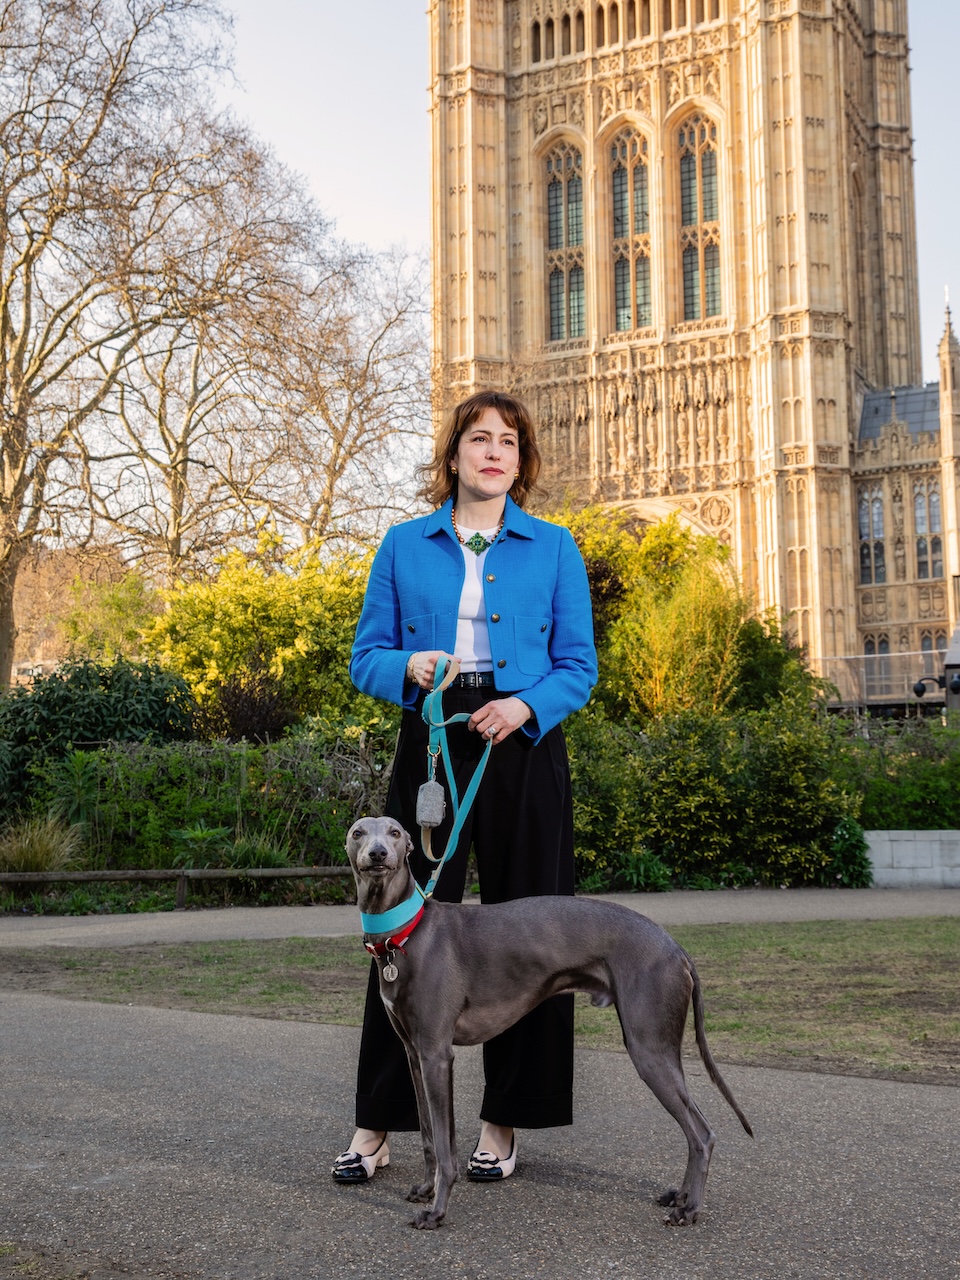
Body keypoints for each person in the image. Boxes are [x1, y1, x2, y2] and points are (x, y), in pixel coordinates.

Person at [332, 390, 597, 1186]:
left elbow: (578, 668)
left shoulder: (554, 548)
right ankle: (375, 1124)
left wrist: (524, 705)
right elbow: (365, 657)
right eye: (478, 439)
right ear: (452, 456)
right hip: (435, 738)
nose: (493, 452)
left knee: (536, 935)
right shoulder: (404, 545)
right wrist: (408, 671)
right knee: (400, 938)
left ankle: (505, 1120)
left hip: (524, 740)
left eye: (509, 443)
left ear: (522, 463)